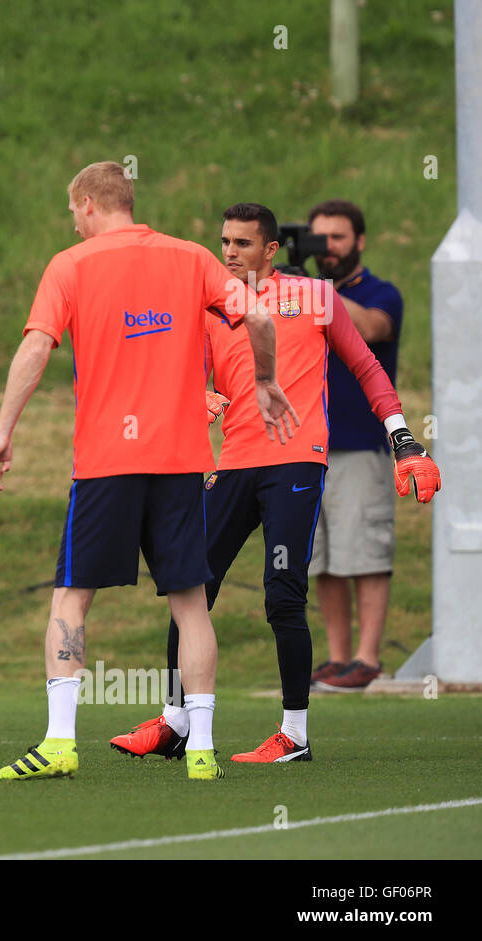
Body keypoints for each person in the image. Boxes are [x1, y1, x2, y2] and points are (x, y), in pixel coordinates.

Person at [0, 162, 294, 782]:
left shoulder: (70, 266)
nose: (72, 222)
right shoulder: (193, 258)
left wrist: (1, 434)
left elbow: (36, 347)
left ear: (91, 203)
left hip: (106, 463)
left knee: (72, 598)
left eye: (74, 211)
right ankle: (201, 749)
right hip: (181, 463)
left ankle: (59, 744)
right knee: (191, 606)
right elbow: (259, 318)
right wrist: (263, 381)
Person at [110, 203, 439, 766]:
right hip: (234, 463)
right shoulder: (212, 305)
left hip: (295, 463)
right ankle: (176, 721)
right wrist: (198, 395)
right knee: (191, 589)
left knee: (282, 596)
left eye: (241, 243)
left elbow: (366, 366)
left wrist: (402, 437)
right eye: (224, 242)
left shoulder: (314, 295)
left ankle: (295, 734)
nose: (229, 252)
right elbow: (183, 375)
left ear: (271, 250)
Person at [306, 200, 413, 691]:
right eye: (319, 238)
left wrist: (318, 290)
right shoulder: (298, 297)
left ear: (360, 242)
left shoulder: (381, 293)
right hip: (310, 447)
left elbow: (371, 328)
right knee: (324, 559)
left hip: (361, 445)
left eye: (338, 238)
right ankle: (338, 657)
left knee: (365, 551)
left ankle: (368, 658)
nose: (327, 248)